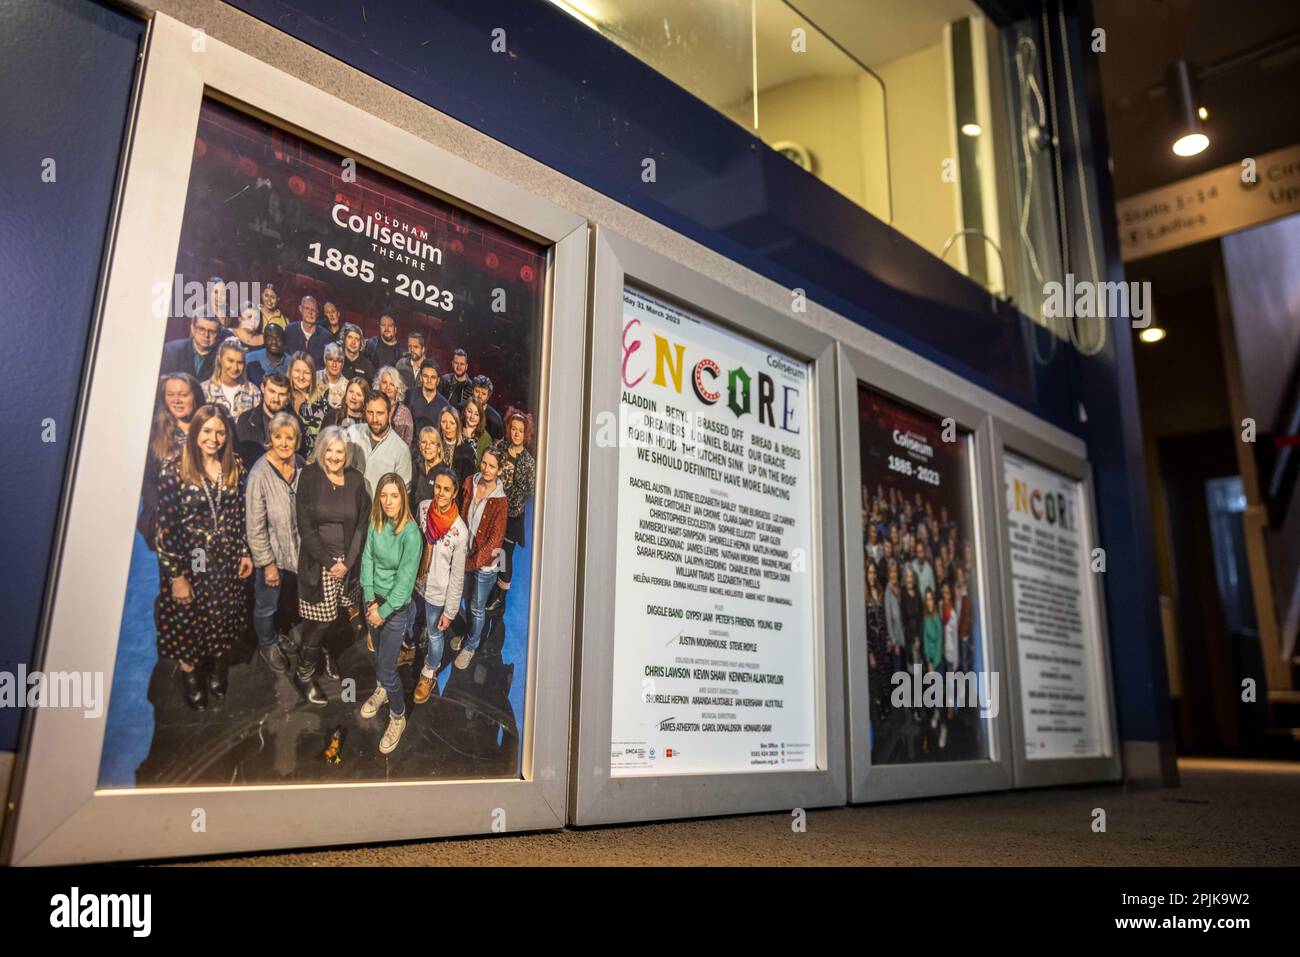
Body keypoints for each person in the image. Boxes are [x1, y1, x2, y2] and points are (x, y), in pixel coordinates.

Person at [154, 405, 253, 710]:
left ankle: (218, 667)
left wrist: (242, 550)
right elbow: (166, 528)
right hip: (192, 558)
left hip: (224, 559)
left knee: (221, 615)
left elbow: (238, 514)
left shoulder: (234, 464)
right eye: (207, 431)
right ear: (196, 432)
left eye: (220, 432)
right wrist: (178, 576)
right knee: (188, 618)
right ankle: (191, 675)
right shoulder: (174, 470)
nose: (214, 438)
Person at [295, 426, 370, 705]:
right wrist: (330, 563)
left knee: (337, 616)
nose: (335, 456)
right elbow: (305, 527)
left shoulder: (356, 480)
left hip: (347, 567)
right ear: (321, 450)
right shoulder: (310, 477)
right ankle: (304, 674)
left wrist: (348, 563)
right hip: (320, 565)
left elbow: (362, 525)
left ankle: (326, 652)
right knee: (320, 621)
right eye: (330, 450)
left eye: (340, 451)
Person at [358, 473, 424, 754]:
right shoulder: (376, 522)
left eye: (394, 495)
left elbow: (405, 584)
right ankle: (382, 690)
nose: (387, 501)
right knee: (379, 655)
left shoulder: (411, 533)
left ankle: (398, 715)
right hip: (373, 602)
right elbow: (367, 560)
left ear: (403, 497)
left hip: (394, 609)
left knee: (387, 667)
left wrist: (381, 611)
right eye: (383, 495)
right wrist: (370, 599)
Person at [245, 411, 305, 672]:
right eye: (278, 437)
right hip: (272, 556)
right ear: (270, 438)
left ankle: (277, 633)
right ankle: (267, 643)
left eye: (289, 437)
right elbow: (254, 527)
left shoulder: (301, 464)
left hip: (296, 552)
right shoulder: (259, 474)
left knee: (284, 601)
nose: (283, 443)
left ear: (297, 440)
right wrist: (267, 564)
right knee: (266, 604)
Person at [412, 465, 467, 704]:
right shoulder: (424, 508)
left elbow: (457, 576)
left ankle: (429, 671)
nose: (441, 493)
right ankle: (408, 649)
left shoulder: (459, 531)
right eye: (438, 487)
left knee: (435, 636)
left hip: (437, 591)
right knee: (412, 621)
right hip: (417, 583)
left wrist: (451, 610)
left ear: (455, 493)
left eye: (447, 490)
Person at [452, 447, 507, 670]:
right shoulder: (469, 482)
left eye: (492, 465)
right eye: (484, 463)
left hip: (484, 565)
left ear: (499, 470)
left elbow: (494, 544)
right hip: (465, 557)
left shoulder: (500, 502)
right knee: (466, 600)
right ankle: (467, 635)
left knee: (477, 607)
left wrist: (469, 563)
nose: (486, 469)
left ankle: (472, 645)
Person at [139, 373, 203, 546]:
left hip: (202, 522)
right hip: (165, 523)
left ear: (195, 396)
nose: (177, 400)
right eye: (171, 395)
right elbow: (146, 482)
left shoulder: (208, 429)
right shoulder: (153, 433)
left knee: (199, 568)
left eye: (183, 395)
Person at [487, 409, 536, 616]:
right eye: (513, 429)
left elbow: (525, 493)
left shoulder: (528, 462)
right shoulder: (500, 448)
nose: (516, 433)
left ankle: (501, 594)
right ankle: (490, 586)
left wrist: (503, 506)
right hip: (493, 511)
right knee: (493, 552)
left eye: (520, 431)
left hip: (512, 517)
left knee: (505, 556)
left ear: (526, 434)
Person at [347, 392, 412, 495]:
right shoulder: (353, 433)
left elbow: (402, 494)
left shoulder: (401, 450)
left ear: (389, 413)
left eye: (380, 413)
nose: (374, 419)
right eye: (370, 412)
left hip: (378, 510)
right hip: (350, 506)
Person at [234, 372, 296, 470]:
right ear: (263, 388)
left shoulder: (295, 424)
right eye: (272, 392)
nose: (276, 399)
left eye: (282, 394)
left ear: (288, 395)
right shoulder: (246, 420)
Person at [203, 338, 262, 418]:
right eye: (230, 361)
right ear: (220, 359)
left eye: (239, 362)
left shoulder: (253, 392)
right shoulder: (205, 390)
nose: (235, 367)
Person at [286, 352, 328, 456]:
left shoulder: (321, 402)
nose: (301, 377)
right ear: (290, 372)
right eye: (297, 371)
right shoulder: (282, 398)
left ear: (312, 375)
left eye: (306, 373)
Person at [159, 314, 221, 381]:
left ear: (218, 333)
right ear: (192, 328)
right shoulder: (171, 350)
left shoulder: (222, 355)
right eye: (201, 329)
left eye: (212, 331)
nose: (206, 335)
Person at [865, 560, 889, 725]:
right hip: (872, 644)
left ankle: (886, 705)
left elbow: (884, 618)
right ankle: (879, 708)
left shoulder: (879, 592)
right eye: (870, 572)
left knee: (884, 673)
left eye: (874, 572)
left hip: (882, 641)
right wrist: (868, 651)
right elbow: (864, 625)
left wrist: (887, 638)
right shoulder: (863, 595)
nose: (872, 575)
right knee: (874, 677)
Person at [922, 588, 944, 750]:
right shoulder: (925, 618)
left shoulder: (937, 617)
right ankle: (936, 712)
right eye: (927, 599)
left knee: (939, 694)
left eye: (931, 599)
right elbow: (925, 640)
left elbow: (939, 643)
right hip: (930, 662)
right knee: (933, 692)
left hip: (938, 662)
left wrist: (934, 664)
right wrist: (928, 662)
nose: (929, 602)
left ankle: (944, 727)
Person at [410, 424, 450, 509]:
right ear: (419, 446)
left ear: (439, 447)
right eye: (424, 442)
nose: (427, 447)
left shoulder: (445, 473)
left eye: (432, 443)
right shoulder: (415, 466)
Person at [373, 366, 414, 445]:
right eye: (384, 383)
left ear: (397, 387)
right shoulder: (371, 407)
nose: (388, 387)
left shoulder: (405, 413)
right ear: (379, 385)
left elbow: (408, 442)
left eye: (392, 384)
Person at [409, 362, 450, 434]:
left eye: (433, 377)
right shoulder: (410, 395)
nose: (429, 380)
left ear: (438, 380)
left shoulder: (444, 405)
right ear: (421, 378)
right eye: (425, 376)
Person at [284, 295, 327, 365]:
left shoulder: (326, 336)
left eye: (313, 310)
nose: (310, 312)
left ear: (317, 313)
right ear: (300, 309)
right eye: (307, 308)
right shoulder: (289, 330)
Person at [456, 397, 491, 479]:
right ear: (464, 411)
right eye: (469, 411)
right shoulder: (455, 429)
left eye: (476, 414)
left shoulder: (486, 438)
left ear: (480, 417)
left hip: (473, 482)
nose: (472, 417)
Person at [244, 322, 287, 386]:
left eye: (278, 338)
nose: (274, 342)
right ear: (264, 340)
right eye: (269, 338)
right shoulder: (249, 359)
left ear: (284, 340)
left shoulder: (291, 362)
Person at [884, 560, 904, 678]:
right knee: (898, 673)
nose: (894, 574)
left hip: (904, 637)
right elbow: (888, 618)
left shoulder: (900, 588)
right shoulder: (888, 592)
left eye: (895, 572)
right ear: (889, 574)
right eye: (891, 572)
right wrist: (894, 641)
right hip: (896, 639)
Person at [470, 375, 504, 442]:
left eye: (483, 393)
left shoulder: (495, 419)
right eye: (477, 391)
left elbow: (499, 447)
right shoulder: (461, 409)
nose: (479, 396)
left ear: (488, 396)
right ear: (472, 391)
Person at [437, 407, 466, 484]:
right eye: (443, 422)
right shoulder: (434, 444)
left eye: (452, 423)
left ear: (458, 424)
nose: (448, 427)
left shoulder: (466, 450)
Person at [317, 342, 348, 408]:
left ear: (342, 363)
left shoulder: (347, 386)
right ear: (325, 360)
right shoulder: (314, 378)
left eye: (338, 360)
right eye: (331, 359)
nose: (334, 365)